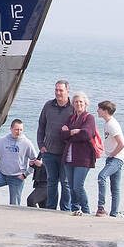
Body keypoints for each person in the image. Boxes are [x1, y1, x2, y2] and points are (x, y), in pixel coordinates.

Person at [0, 119, 40, 206]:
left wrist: (25, 175)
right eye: (16, 129)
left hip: (17, 177)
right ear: (11, 129)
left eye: (21, 130)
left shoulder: (27, 143)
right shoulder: (2, 141)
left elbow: (35, 161)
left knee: (14, 205)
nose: (19, 132)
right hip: (2, 175)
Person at [59, 92, 98, 216]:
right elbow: (62, 134)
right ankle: (75, 209)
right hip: (69, 157)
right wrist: (73, 132)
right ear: (73, 104)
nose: (78, 104)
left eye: (81, 101)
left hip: (84, 158)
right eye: (76, 102)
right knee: (71, 186)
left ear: (85, 103)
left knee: (78, 186)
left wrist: (70, 134)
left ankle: (86, 210)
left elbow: (87, 134)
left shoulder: (89, 118)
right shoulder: (71, 118)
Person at [37, 80, 74, 211]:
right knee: (51, 182)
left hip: (66, 153)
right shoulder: (48, 105)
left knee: (65, 183)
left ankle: (65, 209)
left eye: (61, 90)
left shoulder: (73, 108)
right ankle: (50, 209)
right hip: (48, 152)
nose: (58, 93)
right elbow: (41, 125)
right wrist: (41, 144)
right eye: (56, 90)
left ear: (67, 91)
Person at [96, 100, 124, 217]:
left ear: (105, 111)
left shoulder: (112, 124)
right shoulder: (107, 123)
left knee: (101, 176)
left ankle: (101, 207)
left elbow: (121, 143)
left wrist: (113, 154)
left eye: (99, 109)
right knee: (115, 188)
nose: (97, 111)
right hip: (114, 157)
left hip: (117, 158)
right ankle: (114, 214)